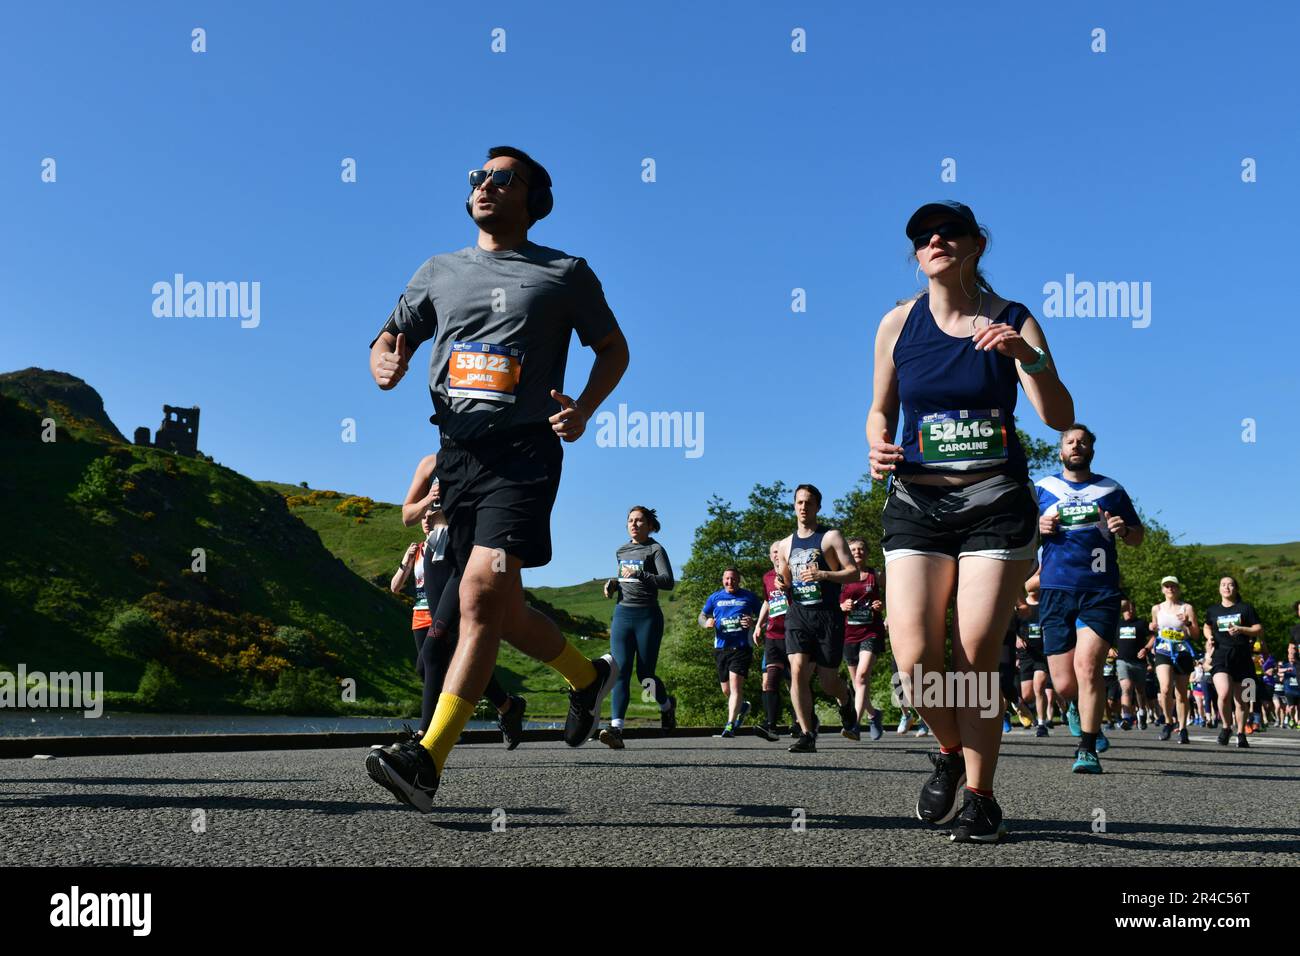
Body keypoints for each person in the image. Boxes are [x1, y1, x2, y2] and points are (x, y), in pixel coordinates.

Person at [365, 146, 629, 812]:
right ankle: (586, 678)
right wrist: (384, 360)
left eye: (502, 178)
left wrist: (586, 407)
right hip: (457, 455)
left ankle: (427, 761)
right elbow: (389, 335)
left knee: (480, 596)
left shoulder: (564, 273)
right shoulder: (438, 271)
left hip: (525, 452)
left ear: (532, 195)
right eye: (477, 177)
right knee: (504, 611)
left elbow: (612, 348)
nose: (485, 185)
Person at [867, 200, 1075, 842]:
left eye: (949, 231)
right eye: (922, 236)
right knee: (913, 661)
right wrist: (876, 444)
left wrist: (1028, 357)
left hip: (993, 501)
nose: (935, 240)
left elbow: (1061, 416)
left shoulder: (1012, 319)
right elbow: (879, 410)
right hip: (917, 504)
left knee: (978, 654)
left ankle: (983, 798)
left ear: (976, 244)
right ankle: (950, 753)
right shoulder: (897, 324)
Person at [1034, 424, 1145, 774]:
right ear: (1061, 450)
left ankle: (1087, 748)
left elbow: (1138, 537)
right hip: (1054, 591)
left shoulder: (1111, 489)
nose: (1077, 446)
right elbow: (1018, 534)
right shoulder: (1042, 488)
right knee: (1065, 682)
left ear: (1092, 450)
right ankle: (1074, 707)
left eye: (1083, 442)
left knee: (1088, 667)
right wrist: (1037, 528)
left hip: (1099, 591)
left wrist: (1123, 529)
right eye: (1070, 441)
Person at [391, 455, 523, 746]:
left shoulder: (480, 457)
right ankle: (507, 706)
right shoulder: (428, 464)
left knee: (435, 647)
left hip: (468, 548)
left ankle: (427, 737)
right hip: (436, 552)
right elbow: (407, 515)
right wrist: (429, 499)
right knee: (439, 655)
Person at [774, 485, 860, 754]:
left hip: (827, 615)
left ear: (818, 507)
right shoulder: (786, 544)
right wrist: (781, 583)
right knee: (797, 670)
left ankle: (846, 699)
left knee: (827, 681)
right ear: (794, 506)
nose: (803, 507)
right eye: (799, 502)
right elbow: (787, 580)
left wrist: (824, 575)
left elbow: (853, 573)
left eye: (808, 503)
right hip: (799, 614)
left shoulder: (830, 537)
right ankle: (807, 733)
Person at [599, 506, 676, 749]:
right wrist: (613, 584)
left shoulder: (655, 549)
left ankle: (666, 706)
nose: (634, 524)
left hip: (647, 617)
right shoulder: (621, 551)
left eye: (639, 520)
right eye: (630, 520)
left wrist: (642, 574)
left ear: (650, 525)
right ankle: (616, 729)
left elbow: (668, 582)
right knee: (619, 671)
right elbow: (624, 579)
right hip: (622, 614)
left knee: (645, 677)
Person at [1204, 576, 1263, 748]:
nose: (1226, 587)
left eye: (1230, 584)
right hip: (1221, 656)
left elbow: (1258, 629)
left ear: (1236, 588)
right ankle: (1226, 727)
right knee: (1223, 693)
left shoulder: (1246, 608)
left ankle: (1241, 733)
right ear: (1219, 589)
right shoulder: (1213, 610)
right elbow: (1207, 626)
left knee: (1242, 699)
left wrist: (1241, 629)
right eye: (1223, 584)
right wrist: (1209, 638)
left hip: (1243, 657)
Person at [699, 569, 760, 737]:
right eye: (727, 579)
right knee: (726, 690)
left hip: (741, 648)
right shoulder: (715, 598)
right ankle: (742, 707)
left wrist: (754, 621)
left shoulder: (748, 597)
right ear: (722, 580)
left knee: (735, 686)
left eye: (733, 579)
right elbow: (701, 616)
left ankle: (730, 725)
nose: (730, 582)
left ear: (738, 580)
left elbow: (765, 615)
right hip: (721, 648)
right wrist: (706, 623)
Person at [840, 538, 887, 741]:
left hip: (871, 631)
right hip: (848, 634)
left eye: (861, 548)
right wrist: (842, 606)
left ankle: (855, 726)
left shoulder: (874, 575)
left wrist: (881, 605)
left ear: (867, 553)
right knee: (858, 684)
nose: (857, 552)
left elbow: (894, 593)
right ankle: (874, 714)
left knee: (861, 677)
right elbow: (832, 602)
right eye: (853, 549)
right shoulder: (841, 576)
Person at [1150, 576, 1199, 745]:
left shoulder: (1187, 608)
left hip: (1182, 651)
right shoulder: (1156, 608)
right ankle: (1168, 722)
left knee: (1181, 693)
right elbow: (1155, 627)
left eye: (1173, 586)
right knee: (1164, 688)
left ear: (1178, 589)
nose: (1170, 589)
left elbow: (1195, 634)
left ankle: (1183, 728)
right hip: (1163, 650)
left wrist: (1187, 623)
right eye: (1167, 586)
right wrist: (1152, 628)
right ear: (1163, 589)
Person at [753, 542, 792, 742]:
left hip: (794, 633)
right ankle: (771, 726)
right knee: (771, 678)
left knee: (795, 681)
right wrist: (759, 624)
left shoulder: (794, 572)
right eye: (774, 553)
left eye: (780, 552)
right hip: (773, 634)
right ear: (770, 557)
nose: (777, 555)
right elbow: (767, 601)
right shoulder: (767, 577)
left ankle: (805, 722)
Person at [1016, 581, 1053, 736]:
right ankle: (1028, 711)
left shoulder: (1046, 606)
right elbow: (1011, 627)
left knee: (1039, 687)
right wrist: (1017, 638)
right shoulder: (1020, 607)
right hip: (1026, 655)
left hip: (1042, 653)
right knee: (1026, 695)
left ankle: (1042, 724)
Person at [1114, 598, 1151, 730]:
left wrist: (1146, 649)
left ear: (1135, 610)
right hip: (1122, 661)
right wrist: (1109, 649)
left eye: (1132, 608)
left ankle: (1142, 712)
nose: (1129, 611)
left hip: (1139, 662)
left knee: (1140, 691)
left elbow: (1153, 637)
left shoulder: (1141, 623)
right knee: (1126, 687)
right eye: (1127, 609)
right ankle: (1127, 717)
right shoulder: (1117, 624)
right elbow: (1106, 639)